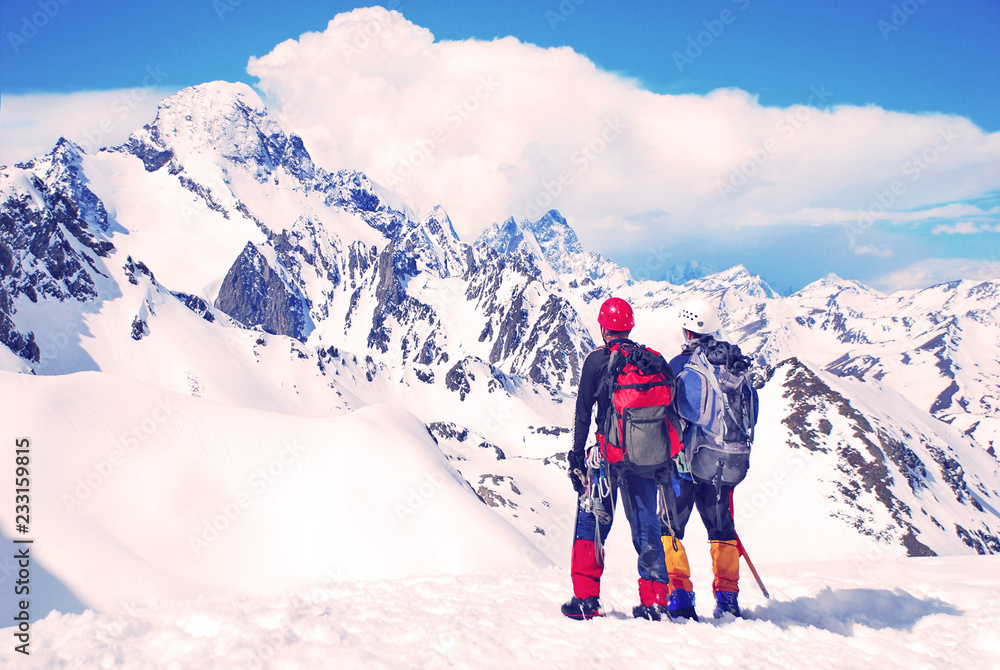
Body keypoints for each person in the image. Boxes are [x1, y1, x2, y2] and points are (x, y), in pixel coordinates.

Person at [561, 297, 671, 621]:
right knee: (646, 524)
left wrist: (576, 458)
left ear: (603, 327)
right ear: (630, 326)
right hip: (644, 458)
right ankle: (655, 601)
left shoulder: (596, 361)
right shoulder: (651, 361)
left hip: (606, 458)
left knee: (591, 521)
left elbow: (582, 414)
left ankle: (586, 599)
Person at [659, 298, 747, 620]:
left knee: (669, 527)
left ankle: (680, 596)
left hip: (683, 465)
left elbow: (667, 410)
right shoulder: (733, 365)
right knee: (722, 529)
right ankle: (727, 598)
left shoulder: (679, 365)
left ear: (687, 331)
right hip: (723, 463)